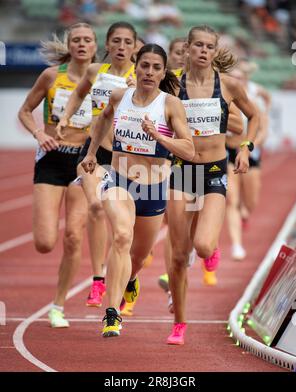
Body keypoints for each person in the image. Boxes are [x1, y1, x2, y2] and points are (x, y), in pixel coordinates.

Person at [81, 43, 195, 338]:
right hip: (120, 180)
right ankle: (112, 313)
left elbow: (190, 150)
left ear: (163, 72)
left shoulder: (170, 105)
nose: (149, 72)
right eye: (144, 65)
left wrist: (158, 135)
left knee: (139, 257)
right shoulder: (120, 96)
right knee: (120, 236)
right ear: (137, 66)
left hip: (154, 187)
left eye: (157, 67)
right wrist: (92, 153)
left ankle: (130, 278)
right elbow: (104, 118)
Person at [166, 25, 259, 345]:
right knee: (179, 256)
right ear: (187, 49)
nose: (203, 52)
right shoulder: (172, 84)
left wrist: (246, 147)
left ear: (215, 52)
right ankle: (179, 322)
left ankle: (213, 246)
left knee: (203, 246)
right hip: (183, 170)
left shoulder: (229, 85)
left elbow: (254, 116)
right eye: (198, 46)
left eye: (209, 47)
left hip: (215, 169)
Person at [18, 23, 98, 327]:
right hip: (51, 160)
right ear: (69, 45)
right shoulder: (53, 76)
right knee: (44, 242)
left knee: (74, 237)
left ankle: (58, 306)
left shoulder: (102, 78)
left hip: (82, 162)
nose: (81, 44)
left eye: (87, 40)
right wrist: (39, 132)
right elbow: (25, 110)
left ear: (94, 46)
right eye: (76, 40)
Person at [56, 22, 137, 309]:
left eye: (128, 42)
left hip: (128, 159)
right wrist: (66, 117)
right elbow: (78, 93)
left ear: (135, 47)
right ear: (107, 45)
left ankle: (129, 275)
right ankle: (98, 278)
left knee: (124, 230)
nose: (121, 47)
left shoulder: (140, 77)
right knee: (94, 206)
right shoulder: (95, 72)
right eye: (116, 41)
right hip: (95, 153)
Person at [226, 60, 269, 260]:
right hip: (227, 151)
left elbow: (263, 130)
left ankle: (245, 213)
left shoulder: (253, 101)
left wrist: (250, 146)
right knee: (231, 200)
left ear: (245, 80)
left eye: (239, 78)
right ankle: (237, 245)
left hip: (249, 151)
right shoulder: (221, 98)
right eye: (232, 77)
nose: (235, 81)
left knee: (250, 201)